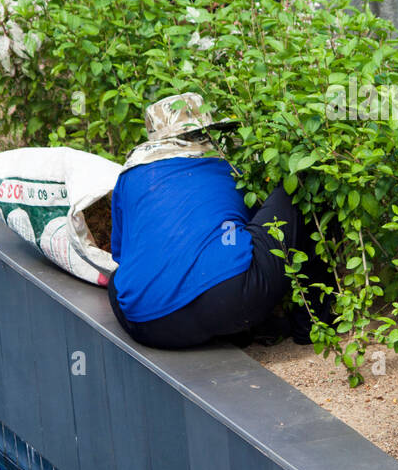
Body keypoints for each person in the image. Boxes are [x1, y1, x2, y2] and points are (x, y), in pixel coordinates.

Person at [106, 93, 334, 350]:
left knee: (119, 277)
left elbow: (122, 255)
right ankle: (312, 327)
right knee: (300, 184)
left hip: (147, 326)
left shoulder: (129, 176)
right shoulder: (224, 167)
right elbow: (258, 231)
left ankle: (233, 330)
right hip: (231, 302)